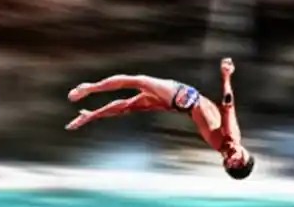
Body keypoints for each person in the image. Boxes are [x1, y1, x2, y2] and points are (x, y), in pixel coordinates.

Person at [64, 57, 255, 180]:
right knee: (139, 81)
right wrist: (226, 77)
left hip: (181, 105)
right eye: (237, 159)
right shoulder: (232, 138)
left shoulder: (226, 147)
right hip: (188, 98)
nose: (232, 157)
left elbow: (223, 111)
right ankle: (89, 88)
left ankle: (89, 116)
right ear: (244, 156)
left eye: (231, 163)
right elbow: (228, 105)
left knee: (129, 106)